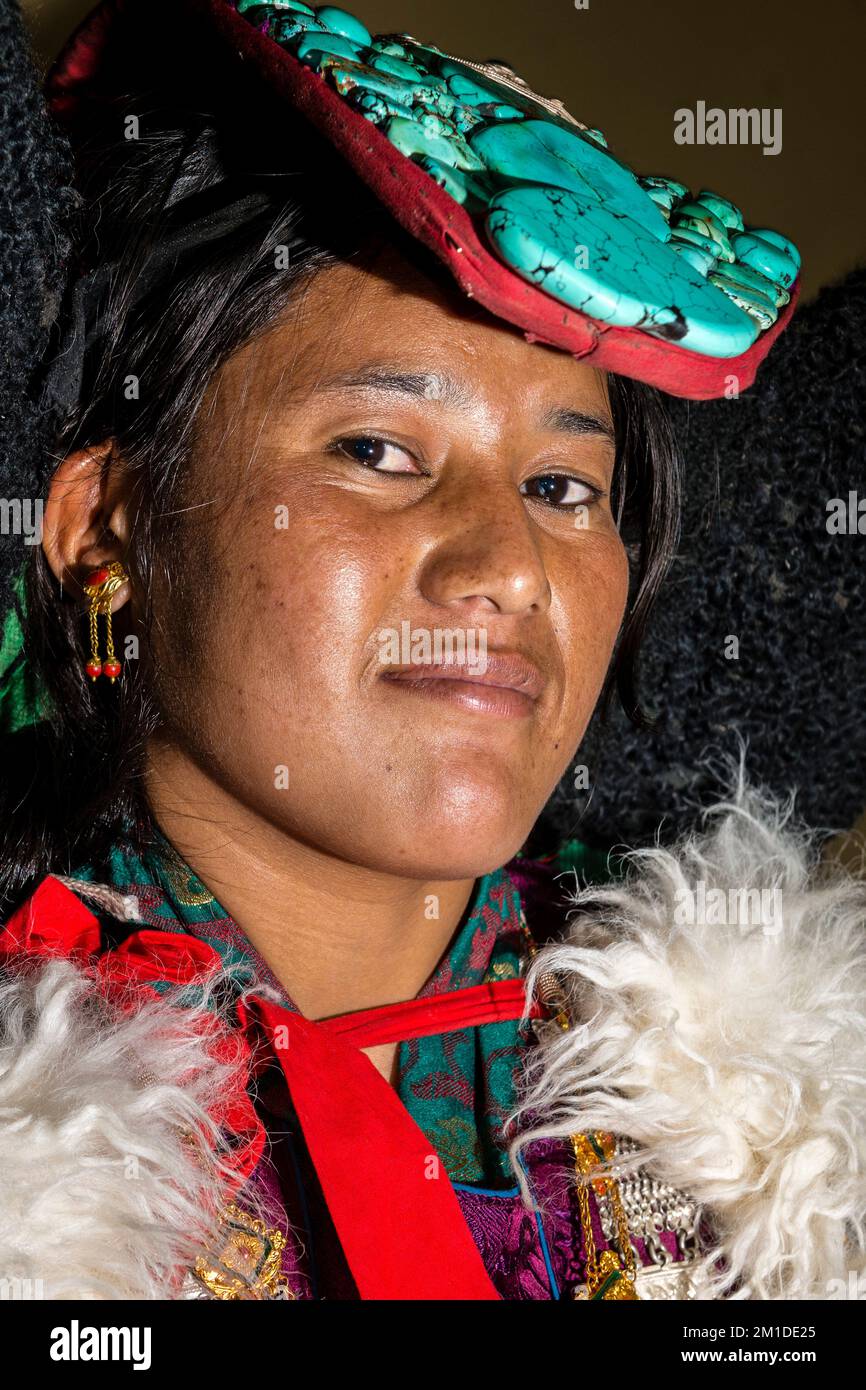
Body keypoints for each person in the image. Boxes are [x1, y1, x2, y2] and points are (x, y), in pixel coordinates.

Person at [0, 0, 863, 1302]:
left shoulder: (797, 1136)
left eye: (565, 487)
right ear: (108, 530)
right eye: (380, 452)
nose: (508, 566)